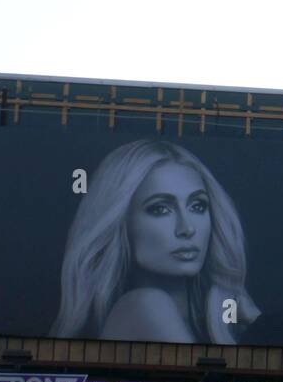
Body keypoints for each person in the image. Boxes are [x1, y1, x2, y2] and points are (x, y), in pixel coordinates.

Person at [49, 139, 260, 344]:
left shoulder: (213, 320)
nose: (187, 228)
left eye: (197, 206)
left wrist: (252, 317)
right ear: (121, 223)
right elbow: (203, 380)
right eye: (160, 209)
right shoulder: (143, 305)